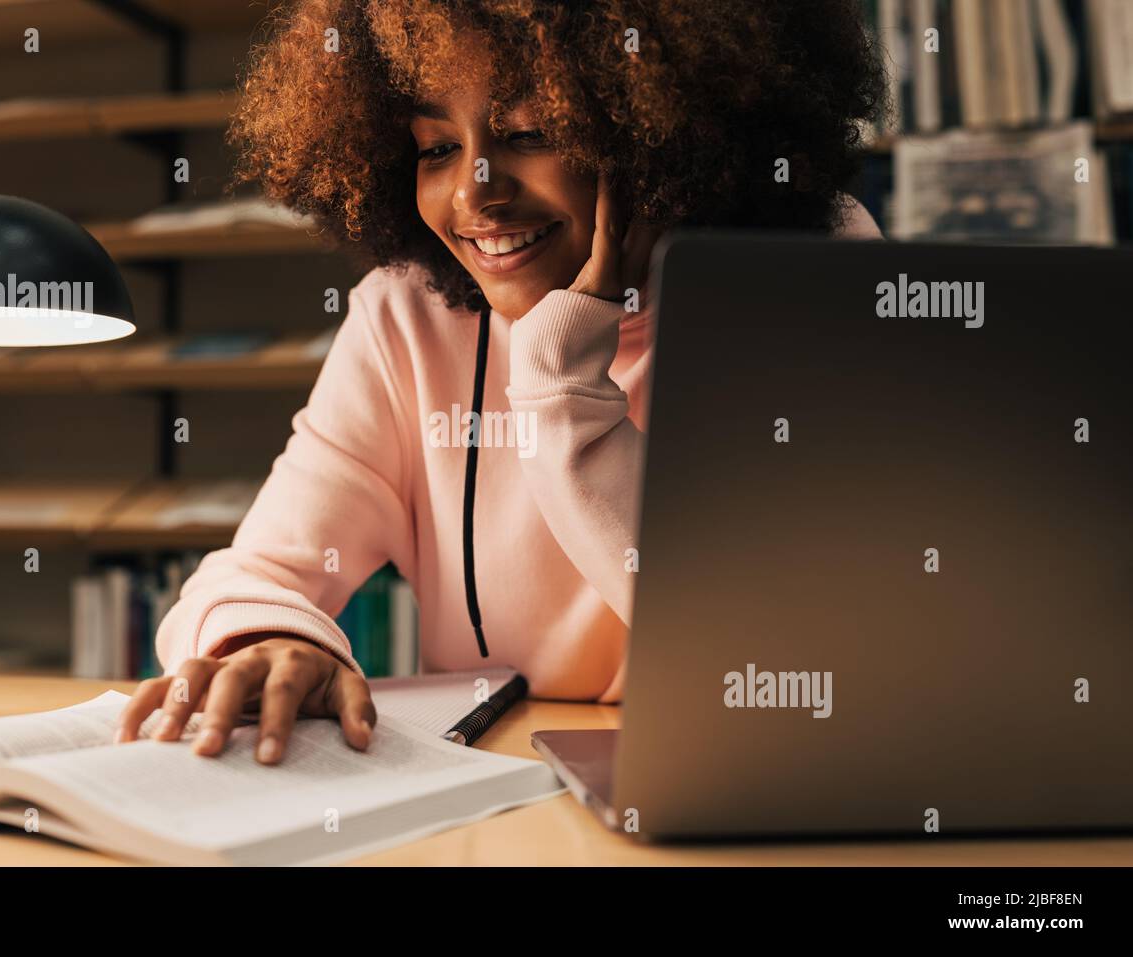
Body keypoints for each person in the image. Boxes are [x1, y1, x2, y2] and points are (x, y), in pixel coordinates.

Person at [114, 0, 886, 763]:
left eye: (529, 133)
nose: (474, 194)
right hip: (495, 798)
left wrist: (561, 385)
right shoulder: (405, 316)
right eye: (435, 147)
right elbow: (254, 572)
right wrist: (272, 638)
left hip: (747, 777)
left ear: (662, 133)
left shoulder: (809, 268)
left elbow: (771, 660)